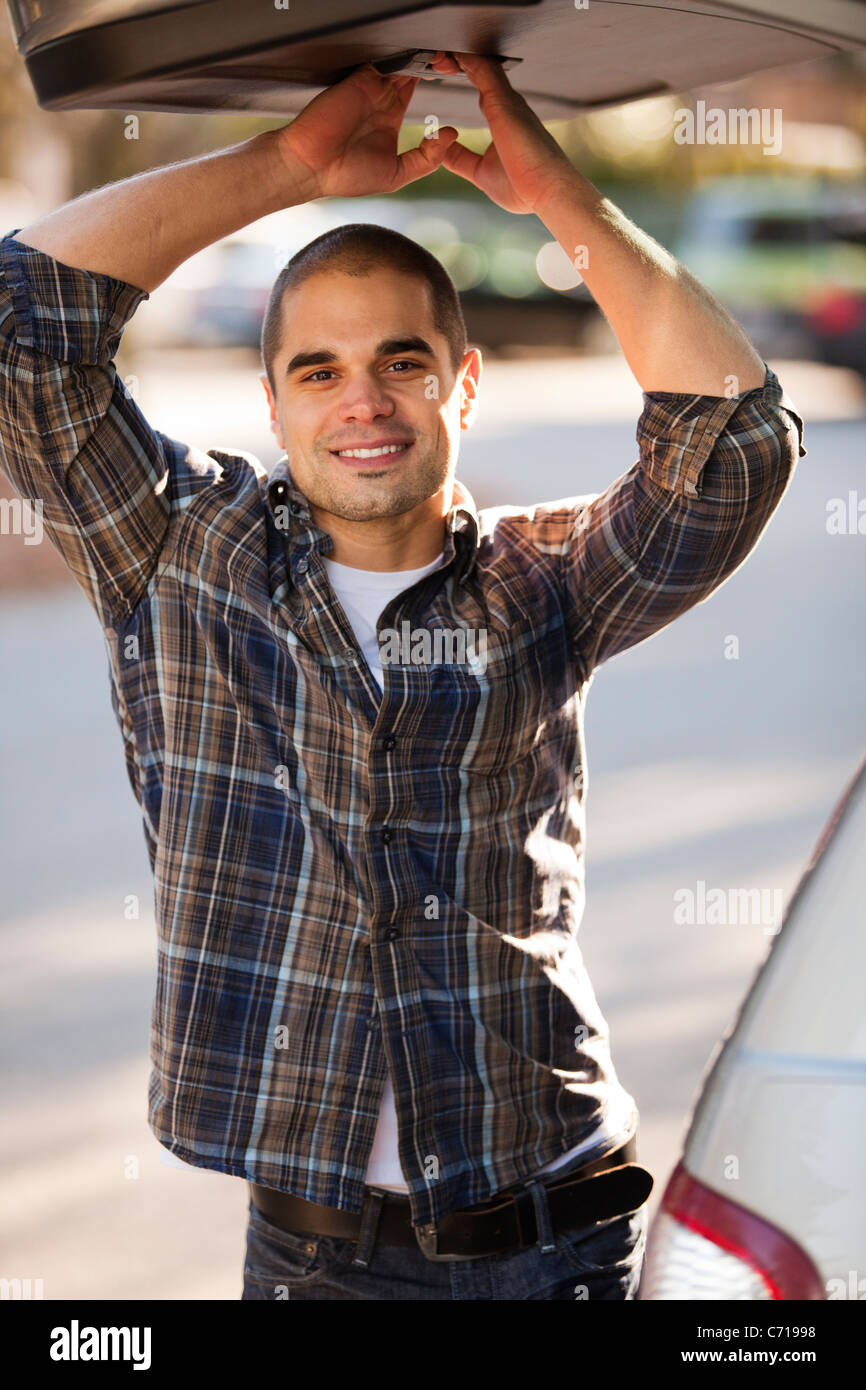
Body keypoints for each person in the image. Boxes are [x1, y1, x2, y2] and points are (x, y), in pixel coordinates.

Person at [0, 49, 805, 1301]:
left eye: (401, 362)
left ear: (460, 385)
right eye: (318, 370)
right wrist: (286, 165)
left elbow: (735, 445)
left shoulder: (547, 581)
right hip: (316, 1259)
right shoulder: (174, 549)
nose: (362, 402)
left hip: (557, 1237)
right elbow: (23, 322)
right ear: (273, 401)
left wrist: (556, 195)